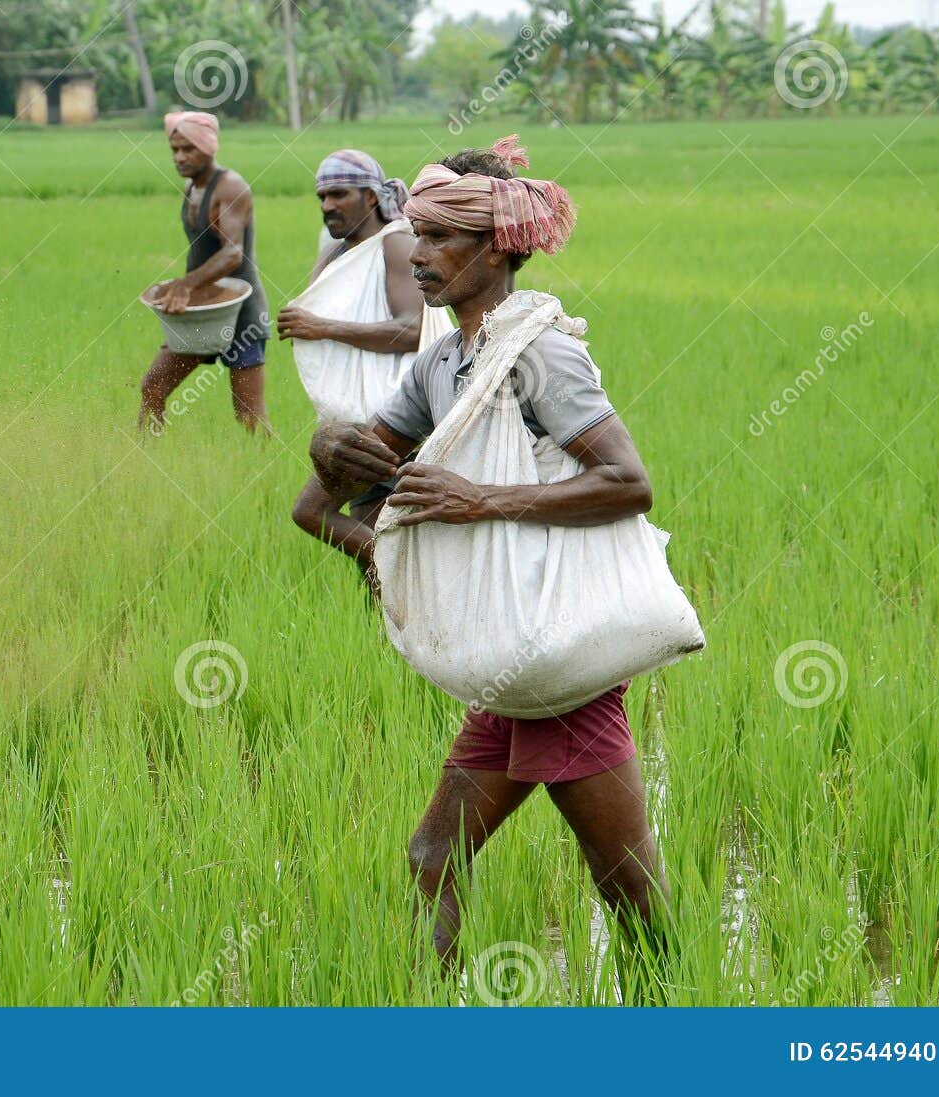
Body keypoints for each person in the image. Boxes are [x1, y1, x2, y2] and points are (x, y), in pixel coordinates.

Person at [306, 137, 668, 980]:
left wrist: (484, 501)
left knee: (628, 891)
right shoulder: (442, 360)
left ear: (498, 245)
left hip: (564, 664)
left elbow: (629, 481)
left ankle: (674, 1013)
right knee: (433, 855)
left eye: (439, 238)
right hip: (510, 666)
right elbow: (338, 489)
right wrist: (333, 448)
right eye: (416, 235)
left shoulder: (540, 353)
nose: (419, 255)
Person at [277, 150, 425, 589]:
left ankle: (411, 579)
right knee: (369, 546)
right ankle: (390, 639)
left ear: (370, 197)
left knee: (312, 512)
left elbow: (412, 328)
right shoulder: (337, 254)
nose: (327, 205)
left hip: (398, 419)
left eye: (338, 194)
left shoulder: (396, 243)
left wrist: (320, 326)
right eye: (321, 197)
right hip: (355, 421)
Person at [140, 111, 271, 434]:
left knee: (249, 416)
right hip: (201, 311)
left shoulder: (230, 187)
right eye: (175, 150)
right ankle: (146, 459)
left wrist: (185, 284)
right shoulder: (191, 189)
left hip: (240, 313)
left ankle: (263, 469)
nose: (180, 157)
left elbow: (231, 253)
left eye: (189, 149)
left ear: (209, 148)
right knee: (152, 389)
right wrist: (186, 289)